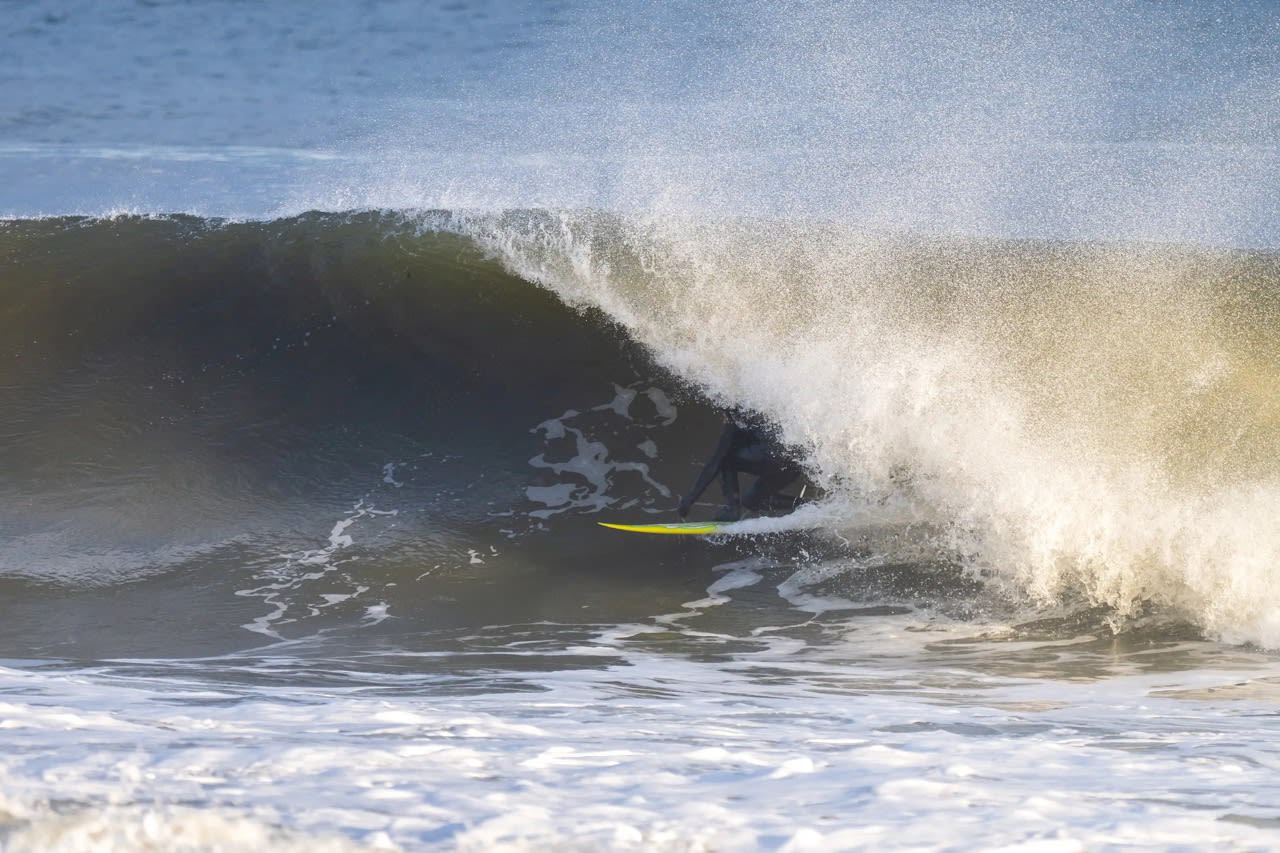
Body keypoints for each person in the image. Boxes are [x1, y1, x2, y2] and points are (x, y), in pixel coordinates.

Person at [677, 408, 804, 522]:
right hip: (794, 463)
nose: (722, 418)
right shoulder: (758, 407)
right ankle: (803, 506)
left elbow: (715, 462)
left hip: (775, 457)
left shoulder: (734, 415)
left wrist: (688, 501)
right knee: (751, 501)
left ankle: (732, 510)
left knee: (724, 459)